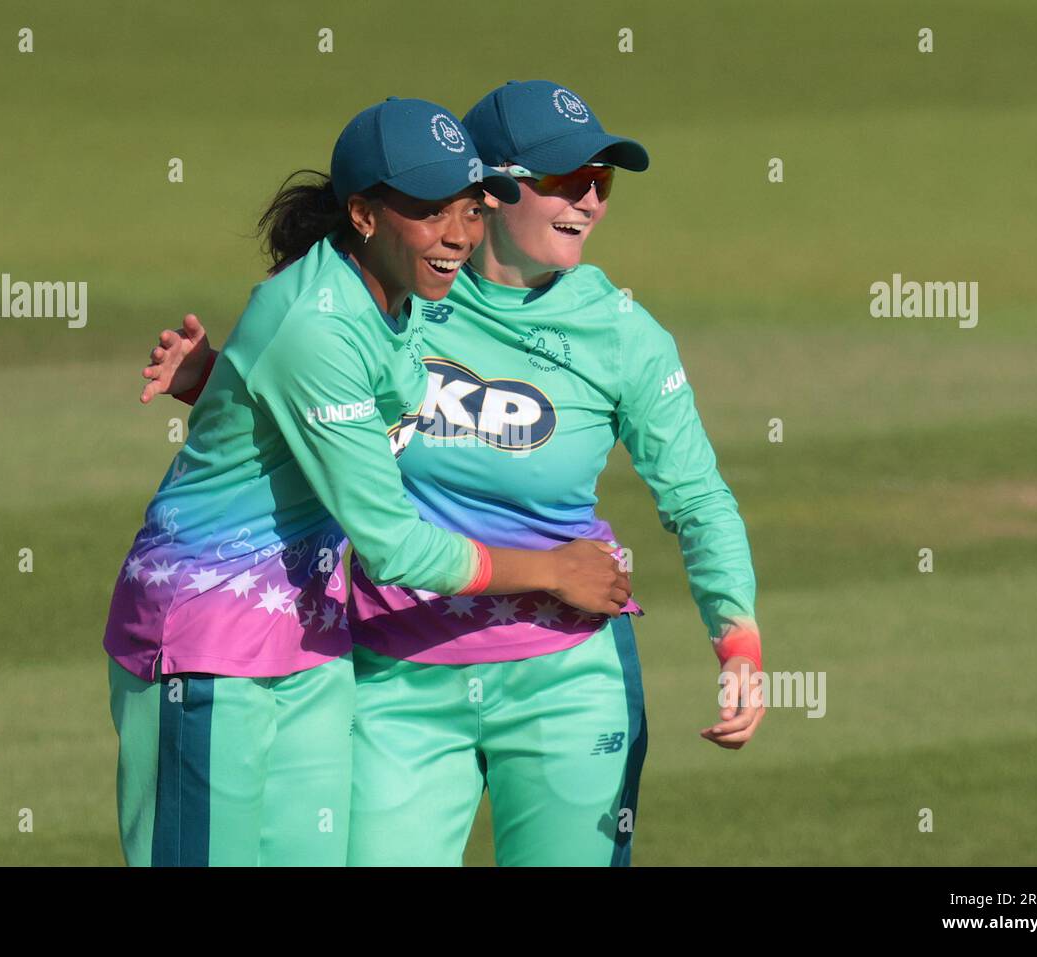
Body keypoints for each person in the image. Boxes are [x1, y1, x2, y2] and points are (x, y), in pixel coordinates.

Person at [140, 82, 763, 867]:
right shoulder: (400, 288)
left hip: (565, 682)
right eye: (566, 181)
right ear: (488, 188)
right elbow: (316, 392)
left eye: (601, 183)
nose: (591, 202)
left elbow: (698, 497)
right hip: (397, 678)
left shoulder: (623, 335)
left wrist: (737, 638)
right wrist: (223, 383)